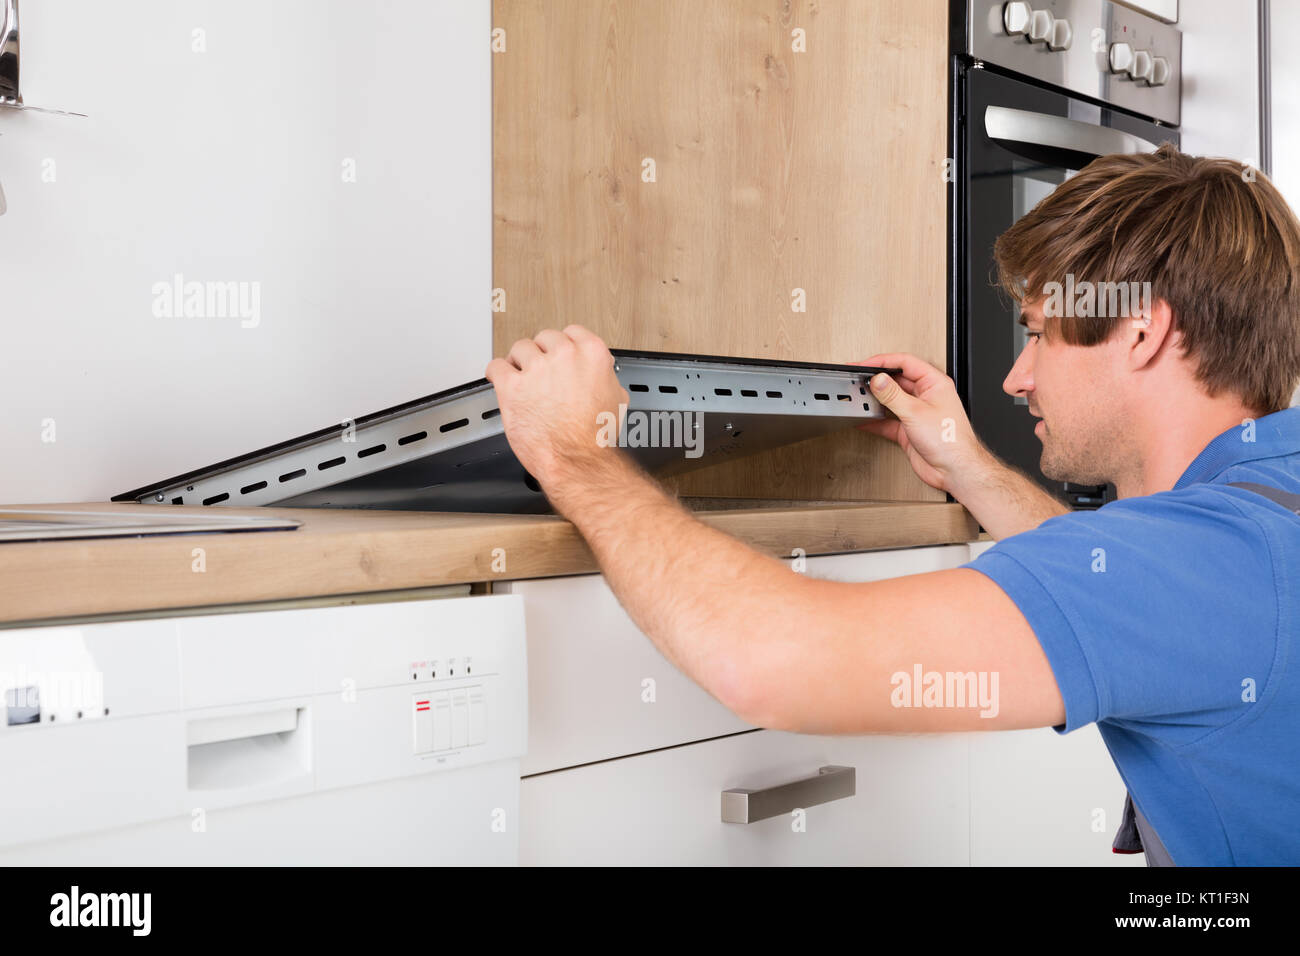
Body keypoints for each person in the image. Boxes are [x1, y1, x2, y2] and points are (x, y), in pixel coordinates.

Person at [484, 144, 1300, 866]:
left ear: (1141, 333)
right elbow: (1129, 597)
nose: (1017, 378)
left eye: (1041, 332)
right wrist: (971, 469)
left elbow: (775, 663)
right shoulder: (1258, 515)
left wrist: (574, 453)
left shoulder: (1200, 562)